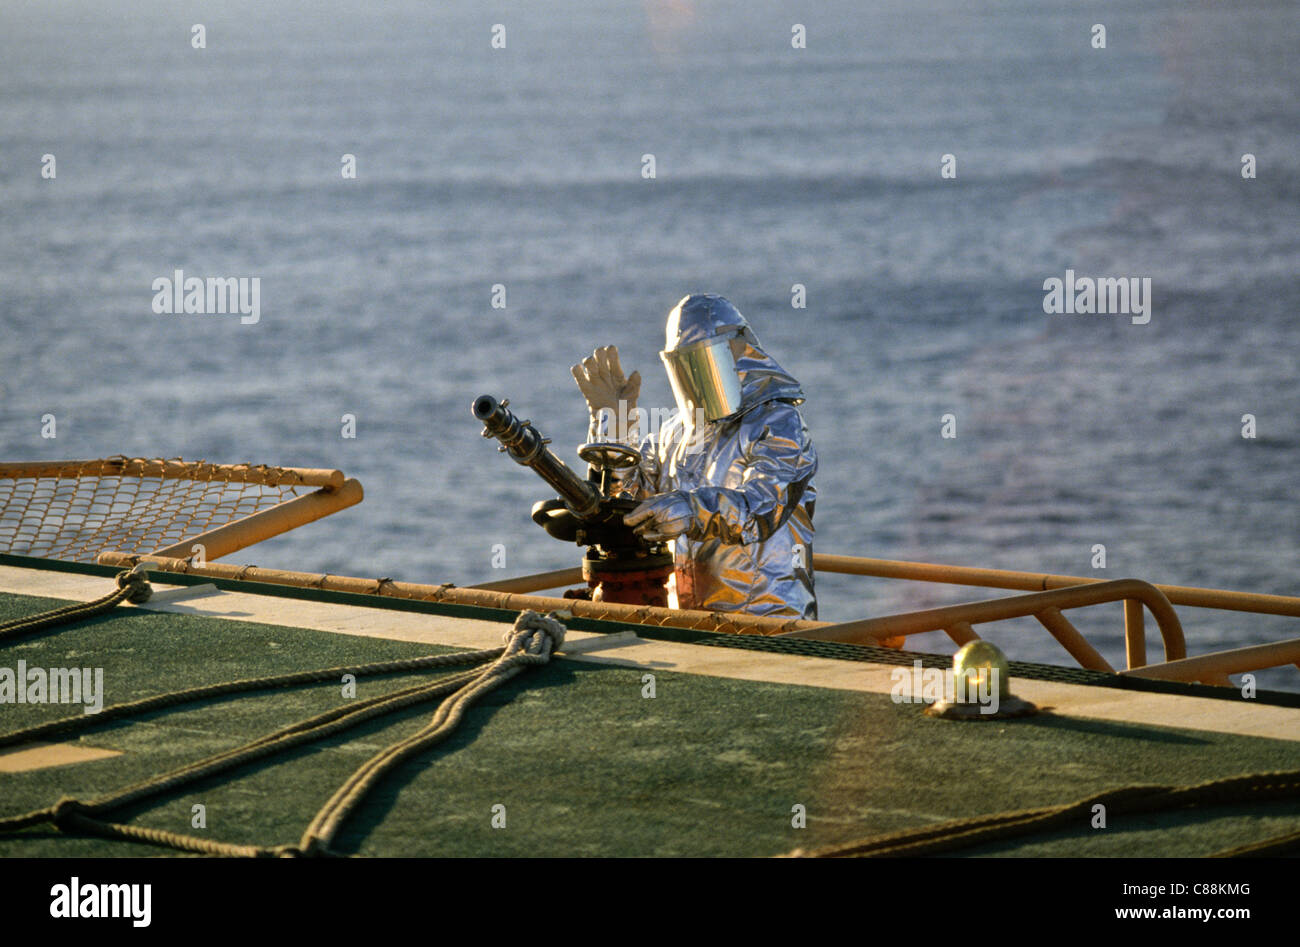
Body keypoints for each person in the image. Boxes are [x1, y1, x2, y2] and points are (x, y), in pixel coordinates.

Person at [570, 294, 818, 619]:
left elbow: (764, 506)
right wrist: (612, 428)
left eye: (704, 362)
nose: (696, 376)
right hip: (687, 627)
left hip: (772, 625)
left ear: (737, 356)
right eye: (685, 365)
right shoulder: (674, 433)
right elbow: (626, 503)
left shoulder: (778, 424)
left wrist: (691, 509)